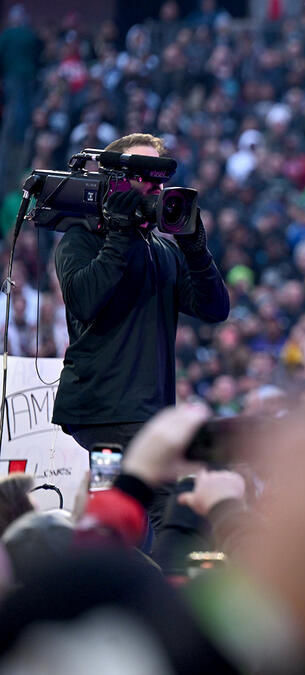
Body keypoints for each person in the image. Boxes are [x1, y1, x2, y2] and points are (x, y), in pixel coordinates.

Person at [52, 133, 229, 452]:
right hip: (103, 412)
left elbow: (214, 309)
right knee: (138, 499)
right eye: (143, 176)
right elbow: (84, 301)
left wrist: (196, 251)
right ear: (112, 183)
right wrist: (120, 233)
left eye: (160, 178)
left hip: (151, 414)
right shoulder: (81, 240)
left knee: (144, 500)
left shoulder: (164, 250)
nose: (155, 187)